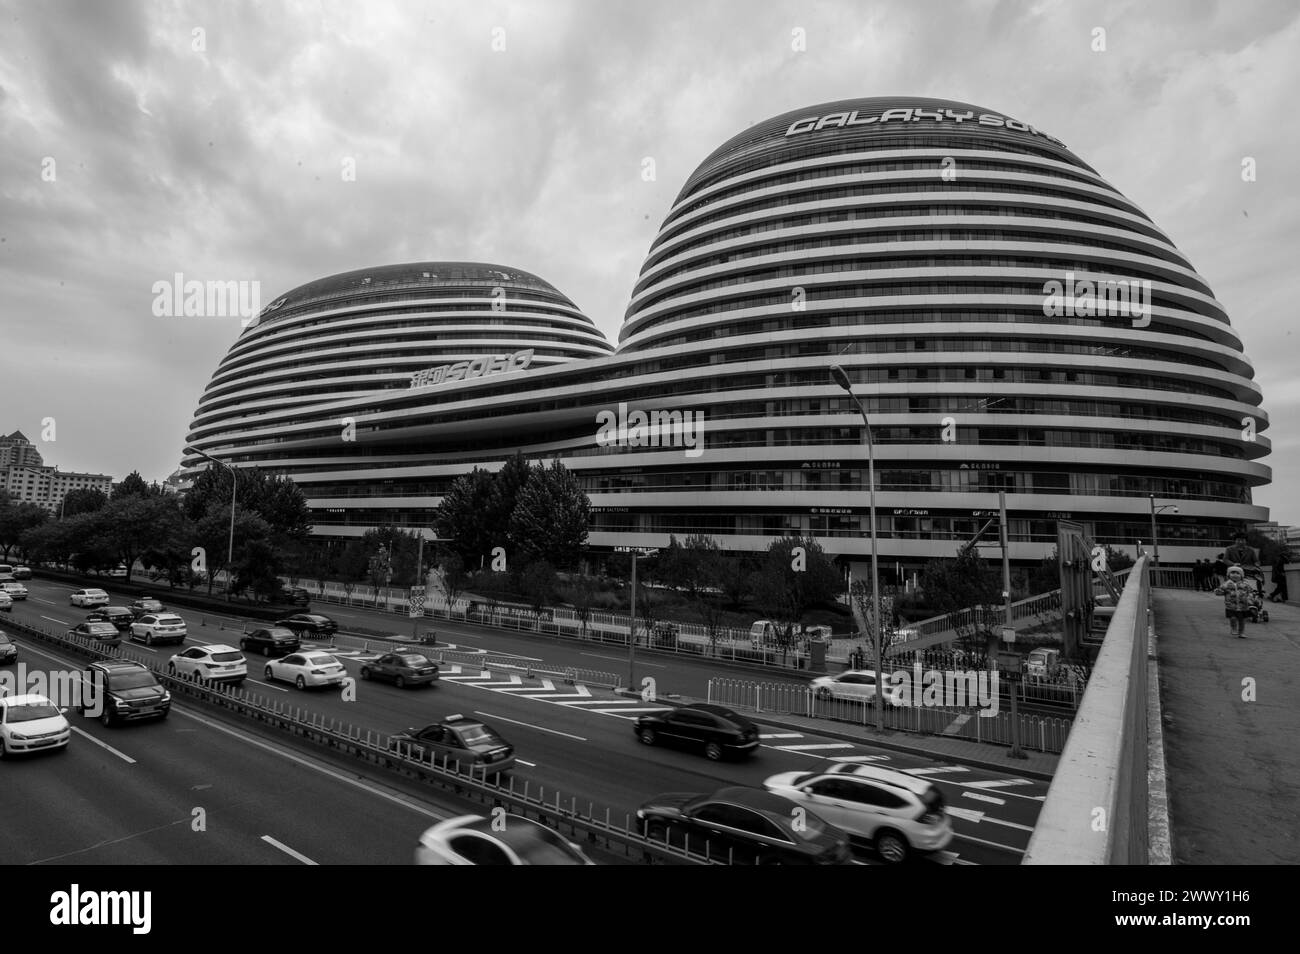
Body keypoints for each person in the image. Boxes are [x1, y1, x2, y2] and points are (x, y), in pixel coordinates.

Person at [1214, 565, 1254, 638]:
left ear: (1241, 576)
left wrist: (1250, 598)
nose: (1235, 575)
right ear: (1229, 575)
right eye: (1232, 573)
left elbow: (1250, 591)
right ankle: (1234, 628)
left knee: (1242, 620)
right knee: (1233, 618)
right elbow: (1220, 592)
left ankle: (1241, 632)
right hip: (1231, 605)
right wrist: (1218, 591)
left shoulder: (1245, 584)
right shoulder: (1226, 584)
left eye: (1237, 573)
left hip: (1243, 606)